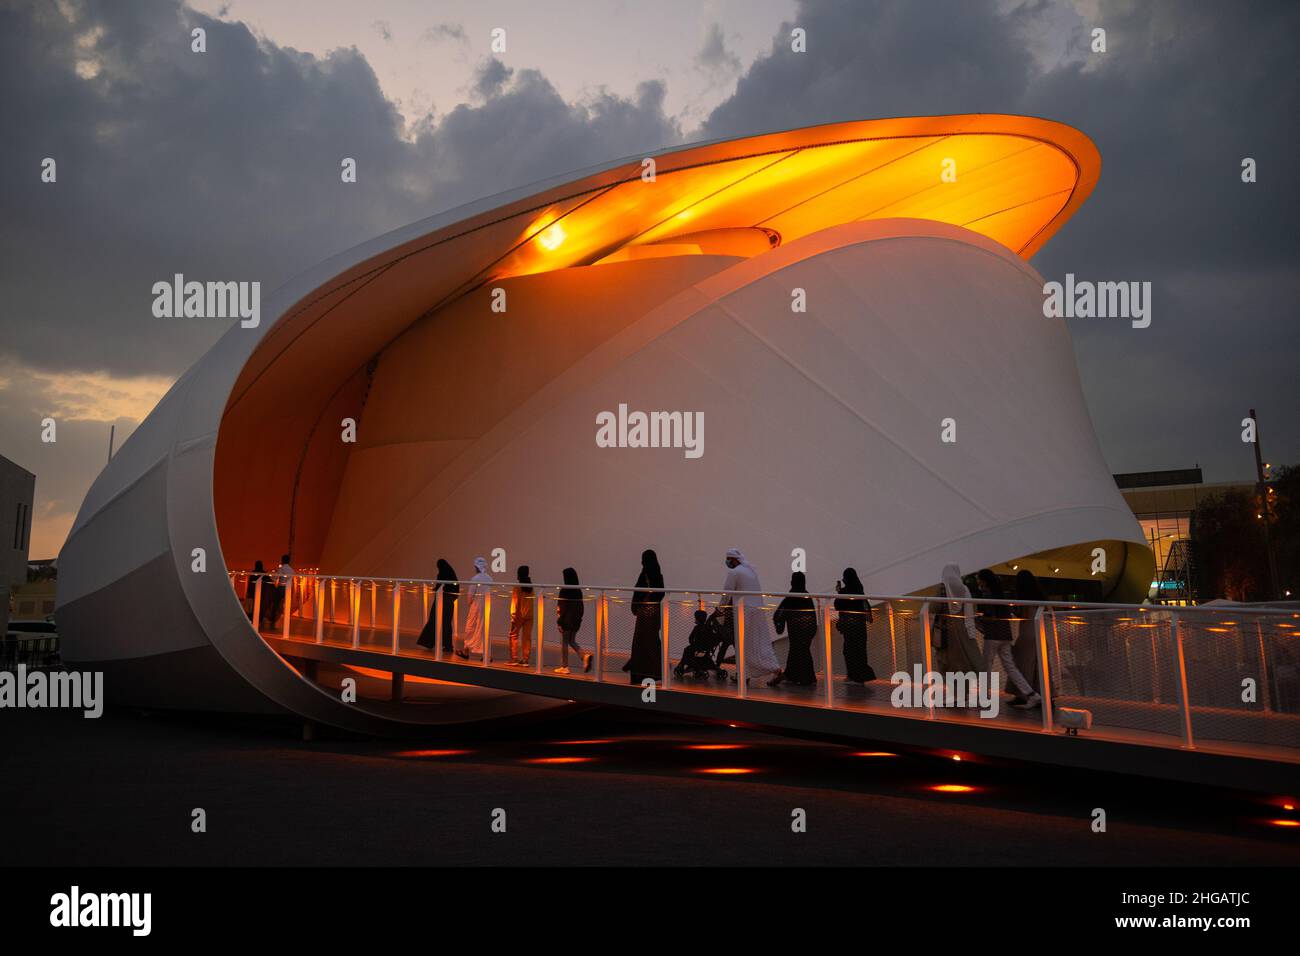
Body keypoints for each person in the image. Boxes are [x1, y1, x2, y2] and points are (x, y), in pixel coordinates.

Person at [716, 549, 781, 686]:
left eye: (728, 559)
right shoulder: (750, 571)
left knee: (742, 644)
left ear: (733, 560)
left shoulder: (734, 572)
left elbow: (726, 594)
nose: (727, 562)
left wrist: (719, 609)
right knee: (760, 643)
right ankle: (774, 668)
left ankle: (743, 675)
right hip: (757, 612)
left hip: (743, 613)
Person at [976, 569, 1040, 708]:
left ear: (984, 581)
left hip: (992, 635)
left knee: (985, 667)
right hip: (1005, 635)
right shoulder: (1001, 595)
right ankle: (1031, 694)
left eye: (979, 579)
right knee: (1010, 667)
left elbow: (991, 617)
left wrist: (978, 619)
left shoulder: (987, 596)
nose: (977, 582)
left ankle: (984, 697)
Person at [772, 571, 817, 686]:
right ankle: (804, 677)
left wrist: (779, 625)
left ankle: (798, 677)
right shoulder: (806, 595)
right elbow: (812, 616)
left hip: (795, 631)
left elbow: (780, 613)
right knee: (803, 652)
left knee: (796, 652)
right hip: (806, 631)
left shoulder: (791, 595)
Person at [628, 549, 664, 684]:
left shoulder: (644, 574)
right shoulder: (658, 574)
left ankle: (639, 673)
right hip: (655, 611)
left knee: (640, 642)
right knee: (653, 641)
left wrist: (635, 607)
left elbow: (638, 592)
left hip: (644, 612)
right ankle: (657, 671)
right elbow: (661, 593)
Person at [835, 567, 875, 684]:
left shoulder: (844, 592)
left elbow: (838, 605)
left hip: (849, 626)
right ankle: (861, 677)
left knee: (849, 650)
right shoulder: (859, 589)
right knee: (860, 651)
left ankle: (853, 676)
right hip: (860, 625)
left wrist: (839, 591)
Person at [1012, 568, 1046, 696]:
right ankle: (1045, 693)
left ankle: (1024, 694)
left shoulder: (1024, 598)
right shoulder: (1039, 598)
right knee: (1039, 665)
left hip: (1027, 633)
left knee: (1023, 663)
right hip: (1039, 633)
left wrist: (1014, 611)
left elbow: (1024, 615)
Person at [555, 567, 592, 674]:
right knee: (572, 641)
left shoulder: (564, 590)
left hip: (566, 620)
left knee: (564, 642)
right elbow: (581, 607)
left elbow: (562, 607)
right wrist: (579, 619)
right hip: (576, 621)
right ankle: (584, 656)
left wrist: (559, 622)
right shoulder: (578, 590)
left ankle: (564, 666)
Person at [417, 559, 459, 651]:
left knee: (434, 620)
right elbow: (455, 590)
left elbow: (439, 586)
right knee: (446, 623)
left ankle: (428, 642)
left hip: (441, 600)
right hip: (449, 601)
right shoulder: (452, 574)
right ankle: (447, 645)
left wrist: (436, 589)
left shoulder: (442, 574)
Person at [458, 557, 493, 660]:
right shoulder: (490, 578)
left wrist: (470, 604)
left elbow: (470, 594)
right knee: (484, 629)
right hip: (486, 606)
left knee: (471, 627)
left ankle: (466, 651)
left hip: (476, 606)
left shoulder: (475, 578)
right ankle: (486, 654)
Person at [508, 566, 535, 666]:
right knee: (527, 637)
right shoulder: (531, 586)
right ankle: (525, 660)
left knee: (513, 635)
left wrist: (513, 615)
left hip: (519, 615)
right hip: (529, 615)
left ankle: (514, 659)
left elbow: (515, 602)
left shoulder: (517, 587)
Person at [271, 554, 294, 626]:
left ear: (282, 560)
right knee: (285, 603)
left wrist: (271, 578)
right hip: (289, 588)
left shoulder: (281, 569)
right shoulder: (292, 570)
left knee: (276, 603)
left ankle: (273, 618)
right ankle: (286, 618)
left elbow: (275, 577)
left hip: (281, 587)